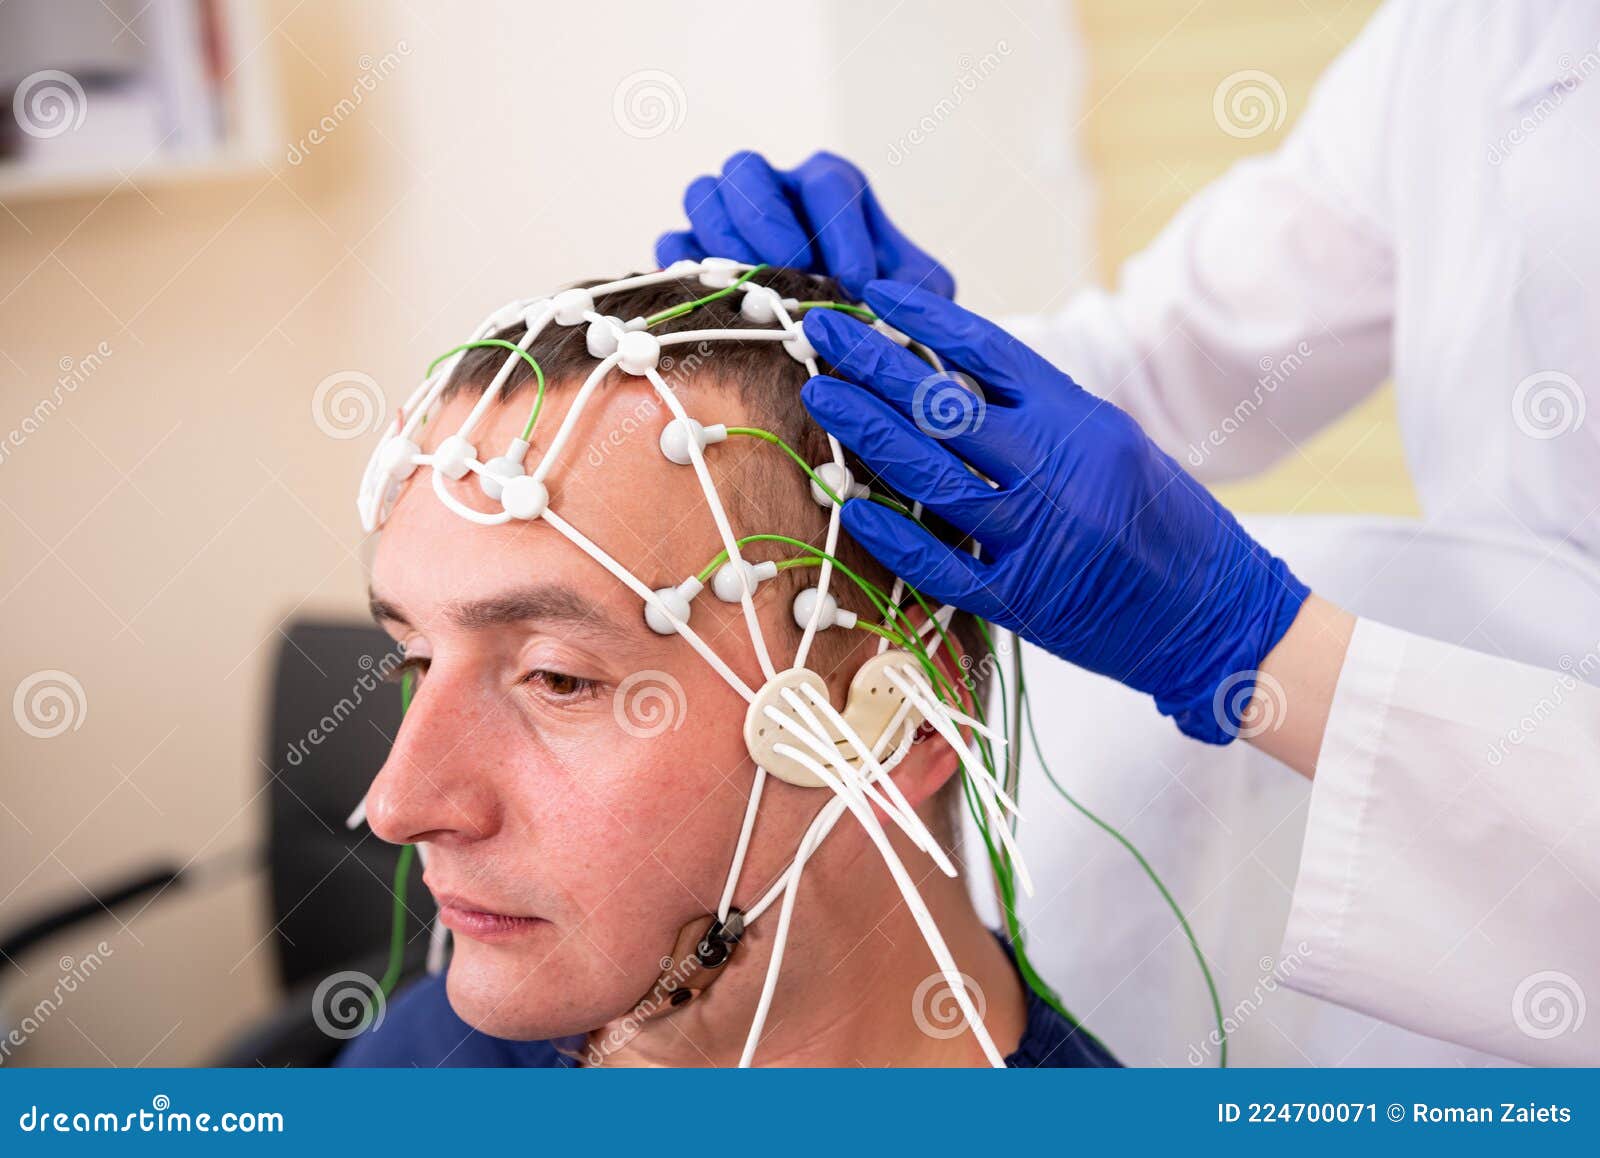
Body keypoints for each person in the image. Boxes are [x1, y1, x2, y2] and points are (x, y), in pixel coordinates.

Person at [652, 0, 1600, 1065]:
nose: (421, 804)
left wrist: (1249, 644)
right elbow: (1182, 354)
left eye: (564, 676)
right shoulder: (1487, 29)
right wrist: (921, 361)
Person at [336, 267, 1119, 1068]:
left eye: (559, 678)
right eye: (417, 660)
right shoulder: (428, 1056)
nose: (397, 807)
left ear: (904, 719)